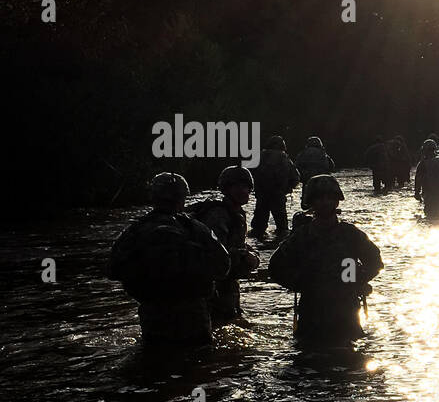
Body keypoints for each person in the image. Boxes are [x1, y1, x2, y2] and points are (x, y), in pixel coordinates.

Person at [108, 172, 230, 347]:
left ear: (153, 197)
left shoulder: (135, 230)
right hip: (193, 315)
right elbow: (223, 266)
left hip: (153, 315)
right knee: (200, 364)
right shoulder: (195, 229)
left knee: (153, 365)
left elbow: (113, 269)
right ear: (182, 198)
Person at [268, 175, 384, 344]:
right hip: (312, 309)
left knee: (350, 360)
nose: (325, 202)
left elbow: (375, 262)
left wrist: (354, 279)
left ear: (337, 201)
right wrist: (300, 282)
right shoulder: (302, 235)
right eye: (320, 198)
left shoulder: (350, 234)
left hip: (346, 310)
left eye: (330, 197)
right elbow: (276, 268)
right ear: (311, 203)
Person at [189, 165, 260, 328]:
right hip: (214, 285)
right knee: (220, 323)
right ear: (226, 189)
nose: (242, 191)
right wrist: (245, 256)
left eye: (245, 187)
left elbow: (235, 244)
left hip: (227, 282)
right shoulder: (218, 214)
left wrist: (249, 253)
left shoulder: (236, 213)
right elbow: (216, 252)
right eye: (236, 187)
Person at [250, 136, 300, 237]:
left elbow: (249, 174)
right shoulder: (284, 157)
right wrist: (288, 187)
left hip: (262, 194)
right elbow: (296, 177)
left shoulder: (259, 156)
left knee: (258, 228)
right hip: (278, 194)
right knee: (282, 229)